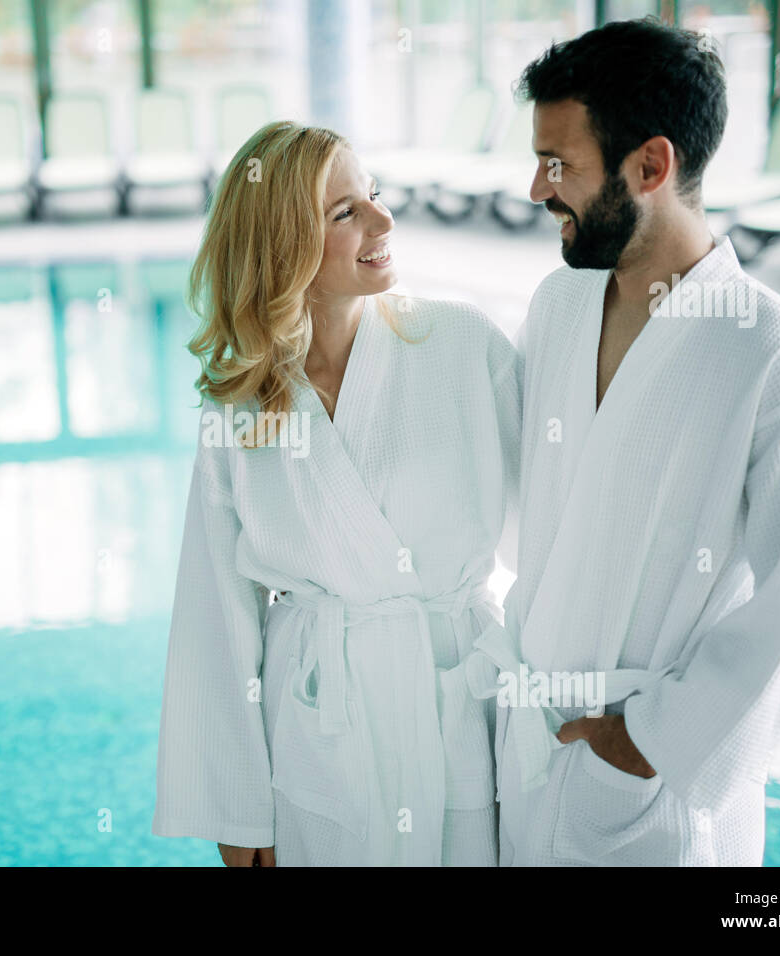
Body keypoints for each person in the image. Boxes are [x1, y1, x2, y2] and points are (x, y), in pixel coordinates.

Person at [482, 17, 780, 866]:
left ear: (651, 165)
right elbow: (515, 501)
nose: (538, 188)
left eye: (560, 164)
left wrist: (652, 740)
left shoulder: (769, 351)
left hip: (646, 784)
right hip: (533, 749)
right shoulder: (558, 307)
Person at [152, 120, 522, 866]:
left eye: (374, 197)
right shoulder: (243, 405)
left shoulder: (461, 343)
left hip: (456, 701)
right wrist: (238, 805)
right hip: (320, 724)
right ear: (283, 244)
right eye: (344, 213)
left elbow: (550, 543)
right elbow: (217, 611)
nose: (384, 222)